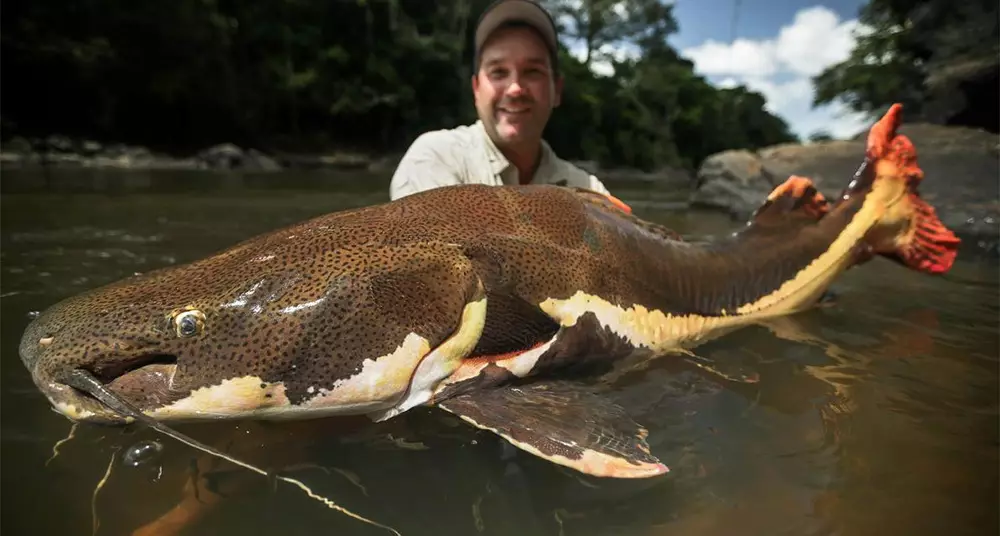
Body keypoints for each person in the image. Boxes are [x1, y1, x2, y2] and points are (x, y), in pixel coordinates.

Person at [388, 0, 625, 210]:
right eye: (499, 72)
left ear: (557, 91)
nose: (515, 89)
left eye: (532, 71)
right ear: (476, 89)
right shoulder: (435, 157)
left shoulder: (590, 192)